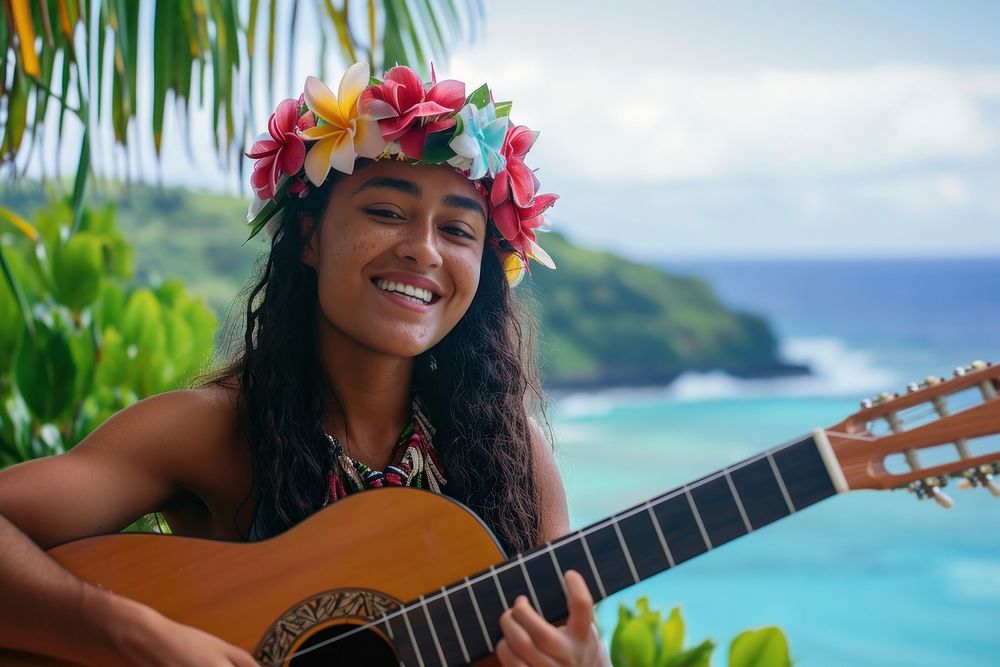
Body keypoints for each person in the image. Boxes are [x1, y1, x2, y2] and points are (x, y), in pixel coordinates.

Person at [0, 62, 610, 666]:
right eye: (386, 213)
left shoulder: (508, 451)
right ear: (311, 239)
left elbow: (566, 633)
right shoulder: (211, 431)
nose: (423, 249)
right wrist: (138, 636)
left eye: (456, 230)